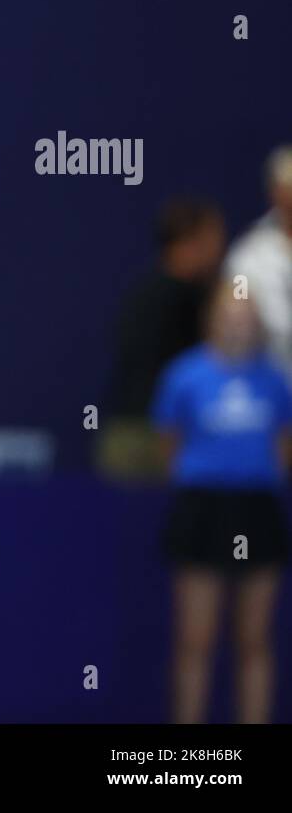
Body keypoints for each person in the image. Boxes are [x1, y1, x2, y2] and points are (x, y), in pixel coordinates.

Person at [153, 282, 291, 723]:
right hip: (203, 508)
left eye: (246, 319)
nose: (237, 328)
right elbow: (168, 444)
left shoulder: (274, 380)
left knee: (255, 637)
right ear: (211, 321)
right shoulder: (184, 375)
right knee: (196, 637)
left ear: (258, 326)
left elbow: (284, 444)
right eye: (229, 318)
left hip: (257, 508)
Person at [99, 198, 226, 481]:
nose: (220, 248)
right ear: (192, 241)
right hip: (157, 440)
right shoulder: (193, 302)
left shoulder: (142, 293)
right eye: (214, 237)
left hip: (124, 434)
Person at [226, 145, 292, 375]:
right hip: (271, 380)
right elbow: (236, 305)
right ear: (275, 191)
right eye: (287, 185)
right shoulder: (248, 256)